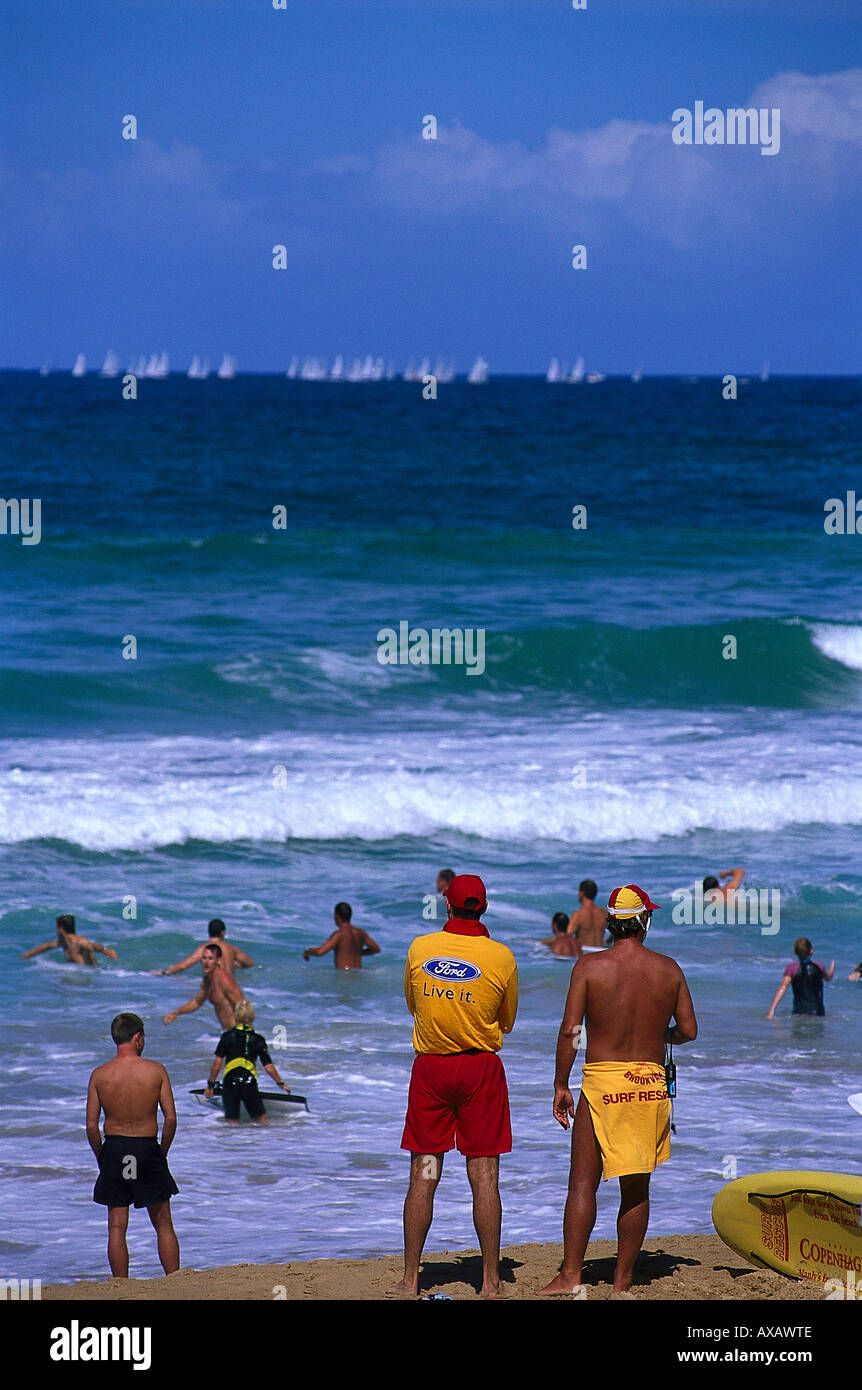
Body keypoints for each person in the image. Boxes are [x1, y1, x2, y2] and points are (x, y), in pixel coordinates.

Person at [541, 884, 697, 1296]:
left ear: (612, 922)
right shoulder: (668, 969)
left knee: (582, 1183)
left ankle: (571, 1275)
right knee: (636, 1185)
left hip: (603, 1081)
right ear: (643, 920)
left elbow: (571, 1031)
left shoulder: (590, 968)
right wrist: (660, 1033)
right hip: (648, 1083)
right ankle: (622, 1281)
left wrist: (561, 1084)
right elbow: (689, 1031)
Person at [395, 873, 518, 1299]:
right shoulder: (501, 957)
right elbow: (507, 1022)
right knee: (484, 1177)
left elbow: (414, 1006)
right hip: (480, 1072)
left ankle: (411, 1279)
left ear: (447, 906)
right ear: (483, 908)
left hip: (432, 1072)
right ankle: (490, 1281)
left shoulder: (420, 948)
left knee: (423, 1174)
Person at [86, 1012, 180, 1277]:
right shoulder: (156, 1070)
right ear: (137, 1038)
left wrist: (101, 1157)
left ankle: (121, 1284)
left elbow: (91, 1126)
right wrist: (162, 1152)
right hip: (146, 1147)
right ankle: (174, 1279)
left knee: (117, 1226)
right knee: (163, 1224)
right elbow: (171, 1119)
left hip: (115, 1150)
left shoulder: (99, 1075)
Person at [205, 998, 290, 1123]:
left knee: (231, 1126)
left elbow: (217, 1064)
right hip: (249, 1082)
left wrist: (210, 1086)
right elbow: (268, 1067)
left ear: (235, 1016)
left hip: (230, 1082)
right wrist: (281, 1084)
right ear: (253, 1017)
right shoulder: (258, 1039)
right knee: (262, 1122)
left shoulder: (227, 1036)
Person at [163, 943, 243, 1029]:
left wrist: (246, 1034)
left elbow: (243, 1005)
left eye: (210, 958)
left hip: (238, 1032)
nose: (206, 962)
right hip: (227, 1033)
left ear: (219, 960)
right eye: (204, 958)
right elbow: (197, 1002)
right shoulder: (207, 981)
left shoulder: (224, 979)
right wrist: (176, 1013)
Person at [153, 918, 254, 977]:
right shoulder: (232, 949)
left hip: (216, 987)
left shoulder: (206, 949)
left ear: (209, 932)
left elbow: (184, 966)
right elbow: (250, 963)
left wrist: (164, 972)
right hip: (230, 985)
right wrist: (234, 965)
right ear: (223, 932)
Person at [766, 938, 835, 1018]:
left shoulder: (791, 968)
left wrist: (772, 1009)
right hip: (818, 1012)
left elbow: (783, 987)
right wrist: (832, 968)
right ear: (811, 951)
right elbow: (827, 978)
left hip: (799, 1012)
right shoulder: (819, 966)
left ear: (795, 952)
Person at [302, 903, 381, 970]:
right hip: (359, 974)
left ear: (337, 917)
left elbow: (320, 952)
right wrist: (357, 952)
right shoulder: (361, 933)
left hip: (344, 976)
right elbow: (376, 949)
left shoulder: (339, 934)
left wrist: (307, 951)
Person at [21, 913, 118, 966]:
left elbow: (99, 948)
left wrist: (109, 952)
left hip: (90, 976)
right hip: (78, 974)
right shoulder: (62, 943)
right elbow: (44, 947)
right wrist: (26, 956)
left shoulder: (81, 942)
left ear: (60, 930)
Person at [567, 881, 608, 950]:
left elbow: (566, 936)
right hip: (601, 952)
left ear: (582, 893)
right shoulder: (604, 913)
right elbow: (615, 931)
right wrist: (608, 941)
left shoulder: (578, 914)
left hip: (585, 953)